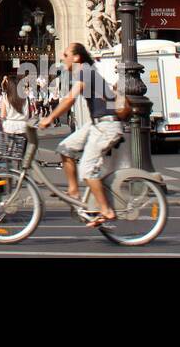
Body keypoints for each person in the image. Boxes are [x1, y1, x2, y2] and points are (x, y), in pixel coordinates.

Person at [39, 43, 120, 228]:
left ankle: (106, 210)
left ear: (76, 57)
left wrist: (50, 118)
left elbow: (69, 99)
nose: (62, 56)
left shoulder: (85, 71)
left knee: (87, 168)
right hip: (96, 123)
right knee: (65, 148)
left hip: (107, 125)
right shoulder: (84, 72)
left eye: (65, 54)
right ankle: (74, 191)